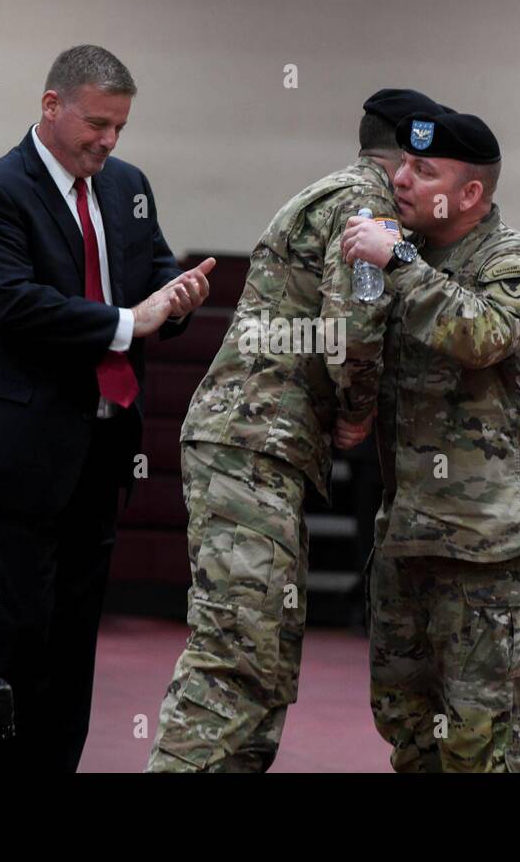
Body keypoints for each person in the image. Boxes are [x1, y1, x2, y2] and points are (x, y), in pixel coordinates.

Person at [146, 89, 451, 772]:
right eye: (428, 162)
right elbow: (352, 330)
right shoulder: (364, 206)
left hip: (258, 447)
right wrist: (357, 410)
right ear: (408, 155)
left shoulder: (331, 193)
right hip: (252, 445)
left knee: (267, 654)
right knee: (237, 656)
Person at [0, 44, 213, 772]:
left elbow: (153, 270)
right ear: (50, 106)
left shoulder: (126, 184)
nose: (109, 141)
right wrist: (132, 321)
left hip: (99, 458)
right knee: (12, 652)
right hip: (13, 466)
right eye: (97, 124)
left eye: (120, 127)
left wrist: (180, 296)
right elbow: (16, 306)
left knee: (70, 658)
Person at [341, 111, 520, 772]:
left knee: (481, 742)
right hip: (407, 538)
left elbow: (479, 336)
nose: (401, 179)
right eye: (402, 164)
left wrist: (399, 261)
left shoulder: (513, 262)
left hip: (486, 550)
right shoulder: (406, 258)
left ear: (470, 194)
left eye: (424, 171)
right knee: (409, 733)